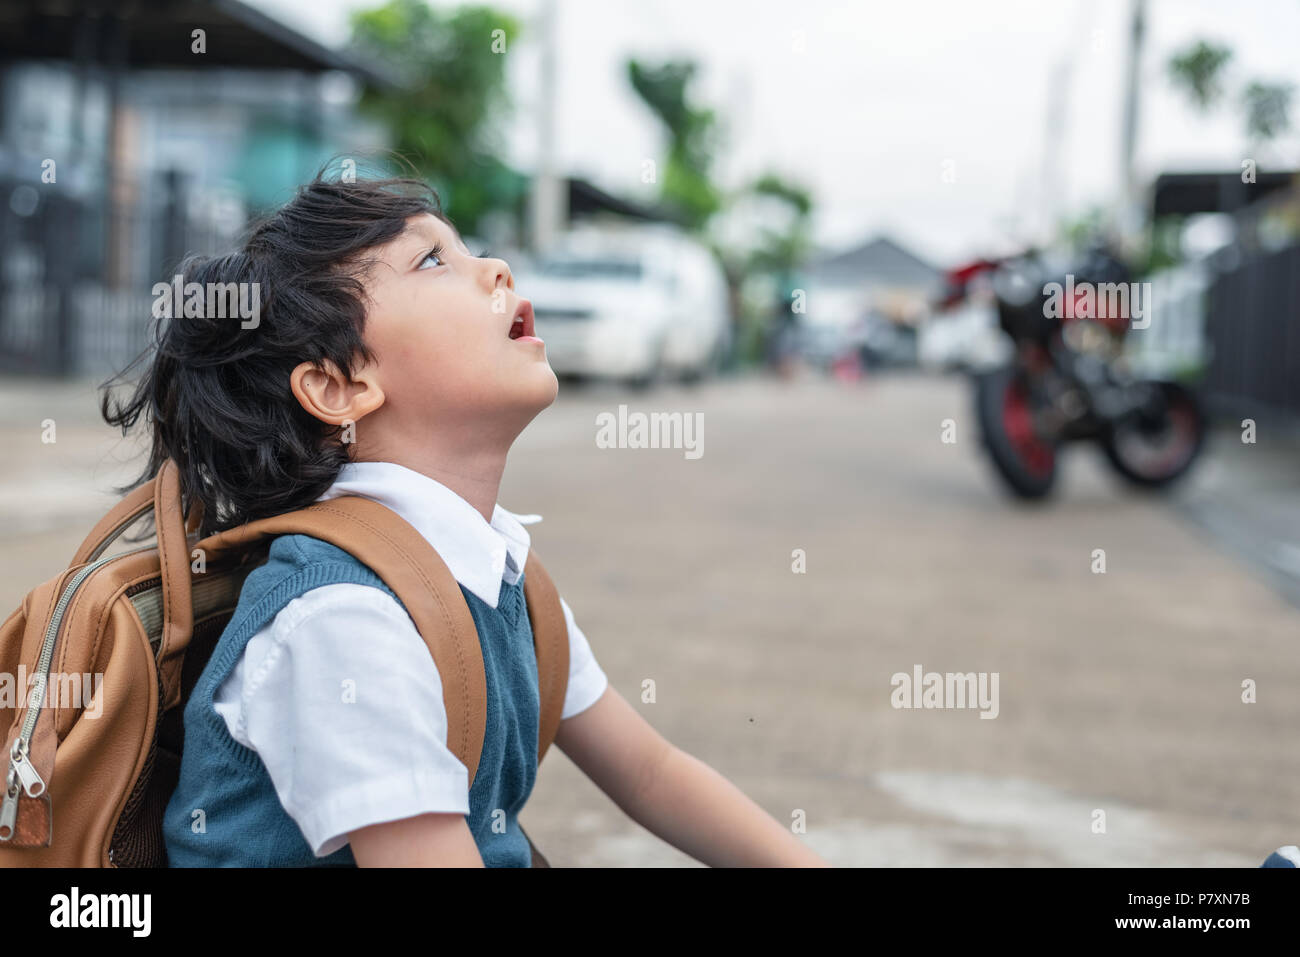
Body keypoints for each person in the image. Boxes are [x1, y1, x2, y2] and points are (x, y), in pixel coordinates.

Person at [102, 164, 828, 868]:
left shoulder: (501, 574)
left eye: (468, 249)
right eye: (431, 261)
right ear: (337, 385)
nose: (497, 268)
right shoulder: (338, 619)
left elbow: (651, 773)